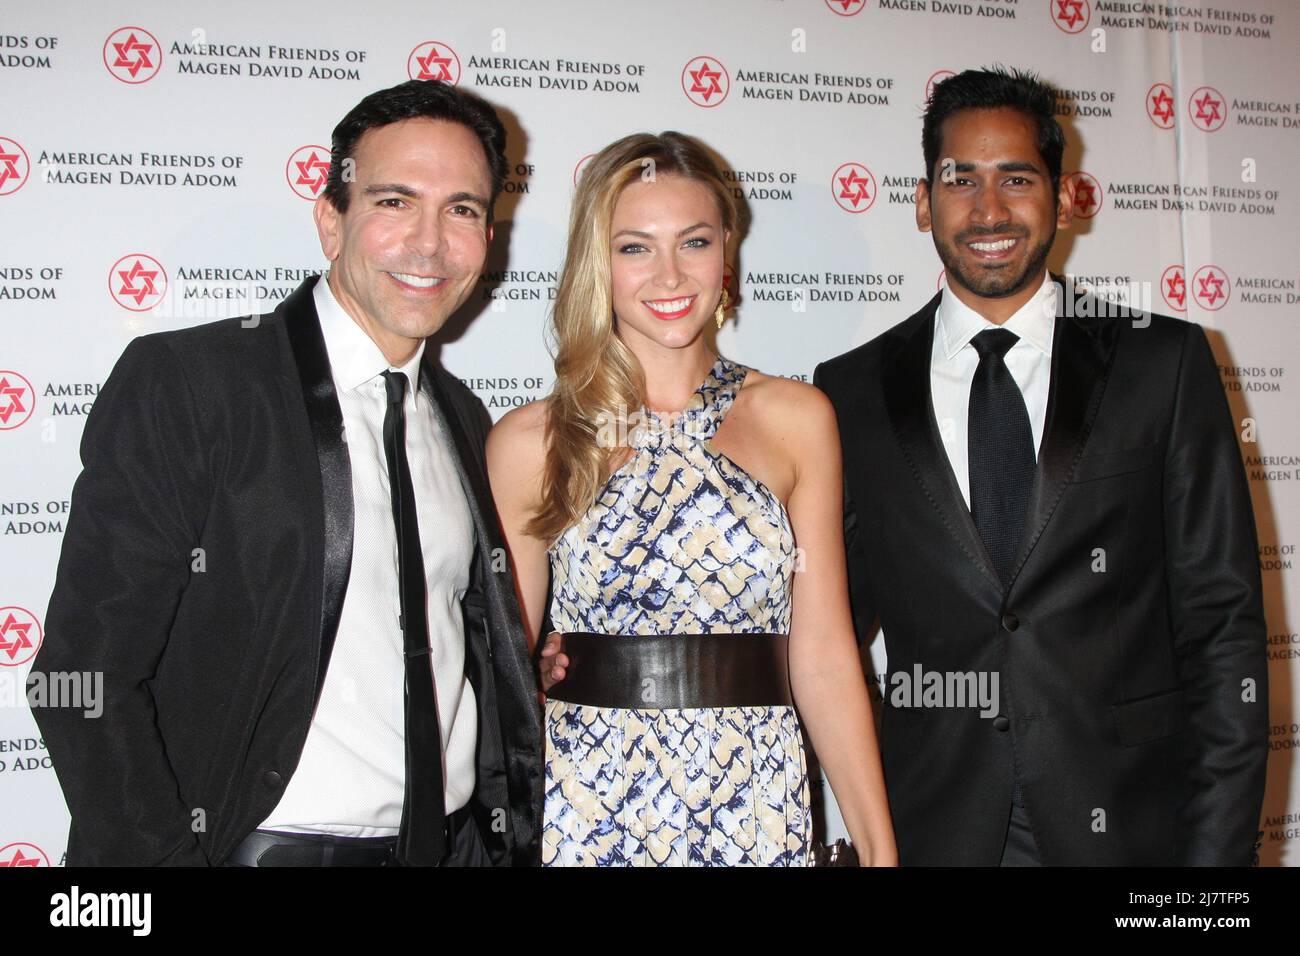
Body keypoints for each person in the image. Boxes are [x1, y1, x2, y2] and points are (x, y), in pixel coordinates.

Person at [29, 80, 542, 867]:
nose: (431, 243)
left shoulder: (464, 419)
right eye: (395, 202)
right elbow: (79, 675)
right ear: (330, 219)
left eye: (463, 209)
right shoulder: (195, 383)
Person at [813, 67, 1268, 865]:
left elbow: (1223, 629)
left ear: (1063, 199)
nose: (989, 211)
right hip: (932, 829)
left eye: (1016, 179)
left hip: (1131, 831)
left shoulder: (1162, 363)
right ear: (923, 201)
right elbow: (827, 633)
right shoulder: (849, 391)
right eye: (961, 181)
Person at [488, 131, 897, 867]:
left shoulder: (798, 419)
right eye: (635, 247)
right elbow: (503, 678)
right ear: (595, 262)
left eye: (695, 241)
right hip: (585, 807)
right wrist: (533, 671)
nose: (669, 273)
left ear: (727, 252)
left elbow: (827, 653)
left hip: (757, 801)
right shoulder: (531, 440)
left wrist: (877, 848)